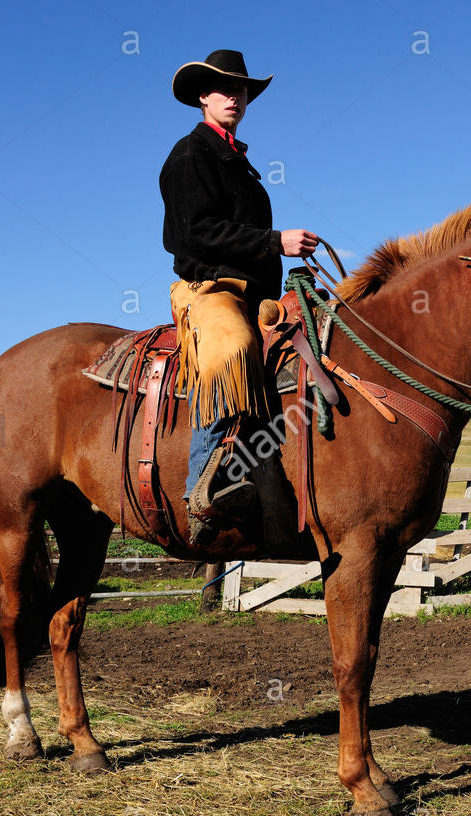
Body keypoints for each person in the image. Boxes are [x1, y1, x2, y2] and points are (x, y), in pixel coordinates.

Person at [160, 49, 318, 543]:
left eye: (242, 89)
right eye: (224, 88)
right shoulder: (190, 155)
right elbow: (198, 232)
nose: (235, 96)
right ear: (203, 97)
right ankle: (201, 491)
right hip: (208, 288)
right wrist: (275, 242)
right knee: (233, 348)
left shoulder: (238, 162)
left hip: (256, 292)